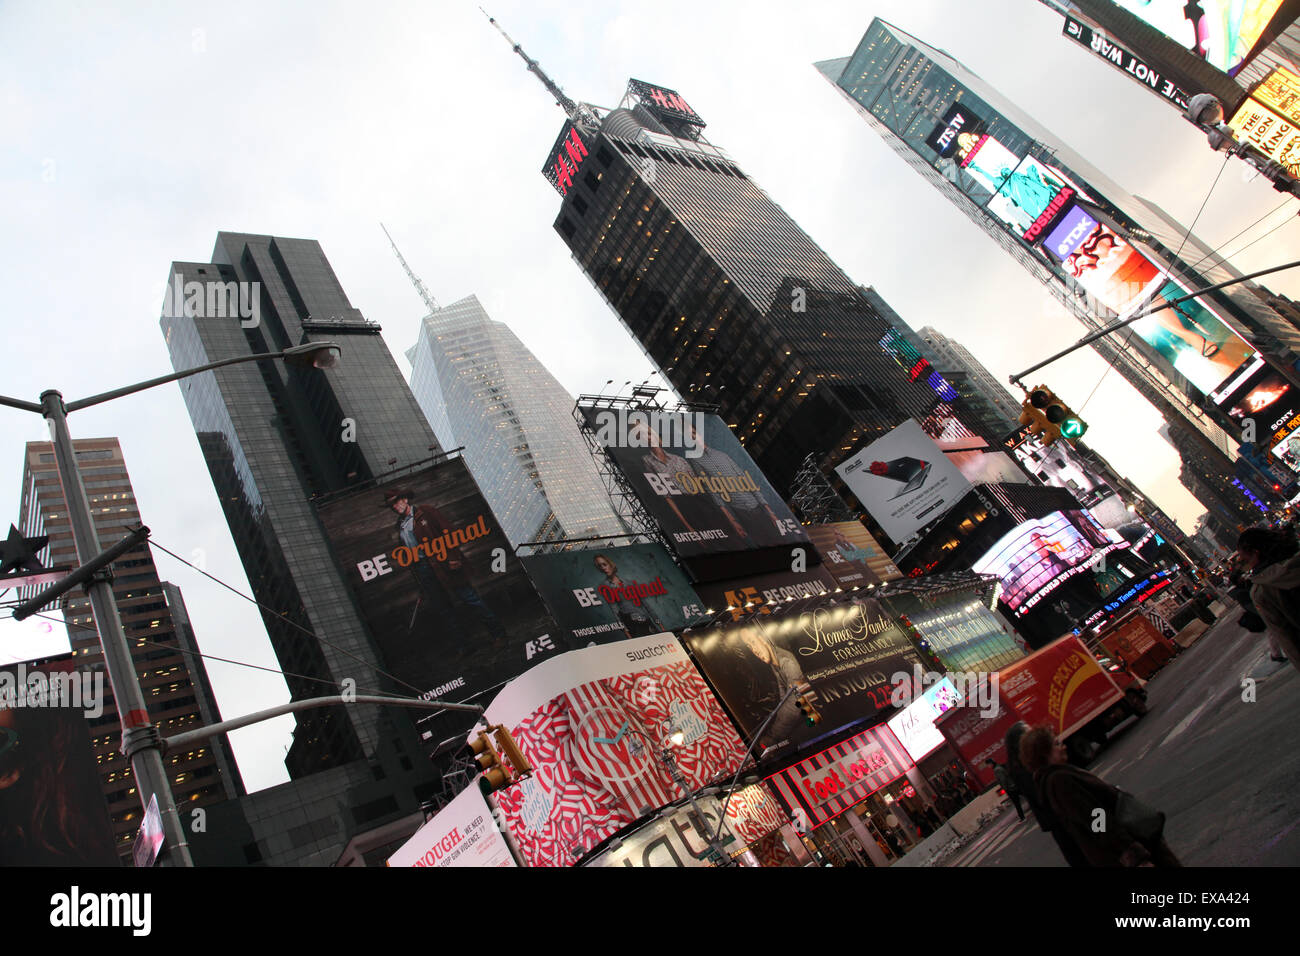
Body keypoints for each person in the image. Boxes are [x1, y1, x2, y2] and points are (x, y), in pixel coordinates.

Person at [1019, 725, 1180, 867]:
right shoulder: (1060, 781)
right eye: (1056, 744)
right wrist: (1135, 857)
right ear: (1045, 754)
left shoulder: (1053, 779)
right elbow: (1097, 820)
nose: (1063, 746)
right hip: (1131, 848)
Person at [383, 488, 506, 643]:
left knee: (470, 599)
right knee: (444, 609)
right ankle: (464, 645)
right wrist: (420, 579)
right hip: (424, 569)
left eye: (397, 502)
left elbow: (450, 533)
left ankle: (498, 634)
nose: (395, 507)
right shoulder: (400, 526)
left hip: (443, 563)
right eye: (391, 505)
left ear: (405, 499)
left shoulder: (426, 512)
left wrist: (454, 558)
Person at [1004, 722, 1089, 867]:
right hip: (1063, 819)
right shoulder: (1035, 772)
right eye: (1056, 744)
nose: (1063, 746)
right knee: (1082, 854)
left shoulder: (1027, 767)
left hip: (1060, 819)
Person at [1235, 526, 1300, 673]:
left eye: (1246, 560)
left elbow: (1288, 639)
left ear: (1255, 554)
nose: (1248, 566)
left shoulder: (1261, 592)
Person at [735, 624, 806, 749]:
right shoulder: (775, 662)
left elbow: (797, 704)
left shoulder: (787, 662)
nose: (754, 650)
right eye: (749, 646)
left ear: (763, 639)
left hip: (812, 722)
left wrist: (772, 737)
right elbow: (783, 697)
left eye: (753, 642)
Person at [592, 553, 664, 638]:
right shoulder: (606, 586)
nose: (603, 568)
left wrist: (659, 623)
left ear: (610, 564)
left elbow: (644, 603)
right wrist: (625, 631)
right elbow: (615, 610)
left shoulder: (628, 582)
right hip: (632, 625)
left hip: (646, 621)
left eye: (604, 564)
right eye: (600, 566)